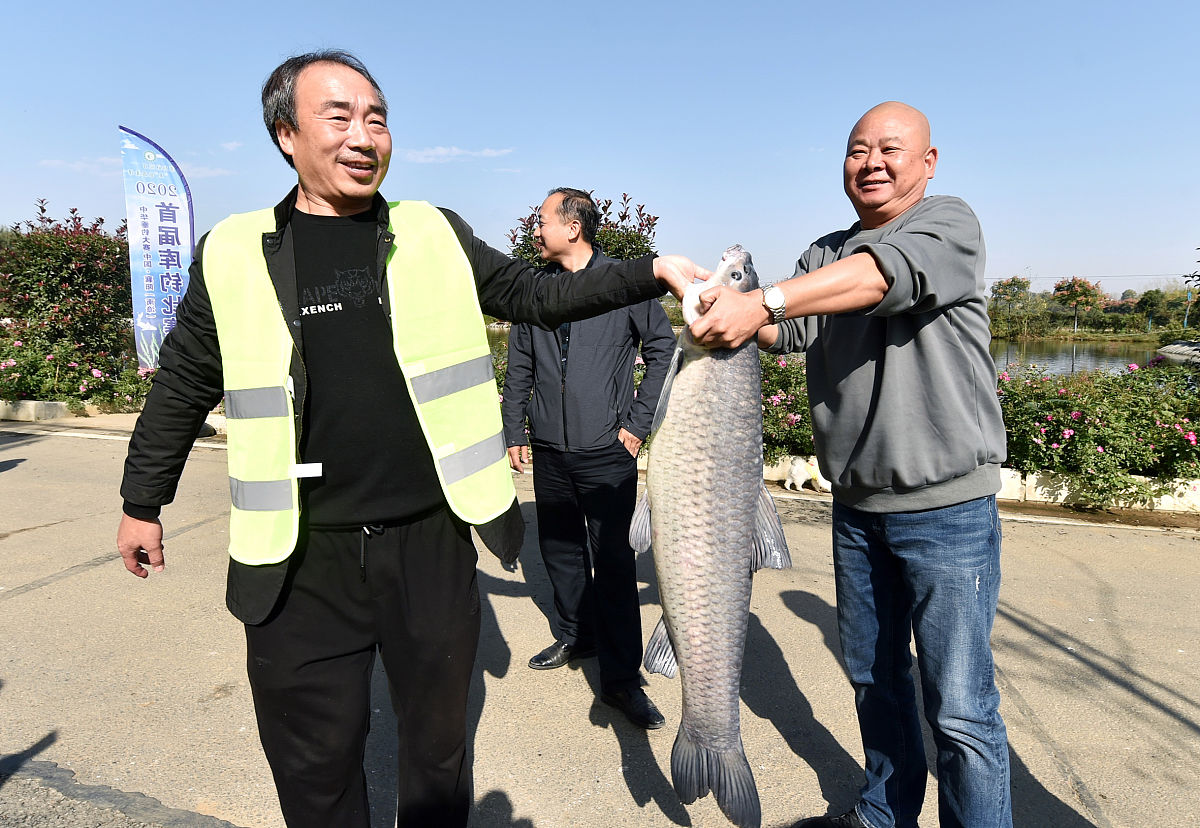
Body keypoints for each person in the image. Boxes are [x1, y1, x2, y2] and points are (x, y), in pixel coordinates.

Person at [115, 50, 699, 828]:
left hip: (429, 542)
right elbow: (184, 383)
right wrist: (141, 500)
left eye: (378, 117)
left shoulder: (432, 232)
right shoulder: (233, 249)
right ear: (286, 134)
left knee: (435, 755)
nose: (365, 135)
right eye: (340, 116)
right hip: (297, 556)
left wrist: (650, 272)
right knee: (312, 762)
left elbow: (538, 294)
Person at [690, 102, 1011, 828]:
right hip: (858, 510)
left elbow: (880, 279)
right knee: (876, 682)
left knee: (960, 710)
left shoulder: (948, 224)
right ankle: (884, 813)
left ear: (927, 164)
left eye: (890, 148)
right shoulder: (822, 252)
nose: (871, 161)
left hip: (947, 512)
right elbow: (784, 328)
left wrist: (764, 298)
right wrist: (724, 305)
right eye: (857, 148)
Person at [501, 188, 676, 729]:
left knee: (616, 568)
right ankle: (578, 638)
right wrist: (515, 428)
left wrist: (636, 426)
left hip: (607, 452)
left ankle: (622, 681)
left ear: (573, 227)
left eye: (544, 220)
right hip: (551, 450)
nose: (536, 230)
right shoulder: (537, 292)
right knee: (559, 552)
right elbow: (520, 366)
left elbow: (664, 349)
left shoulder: (624, 286)